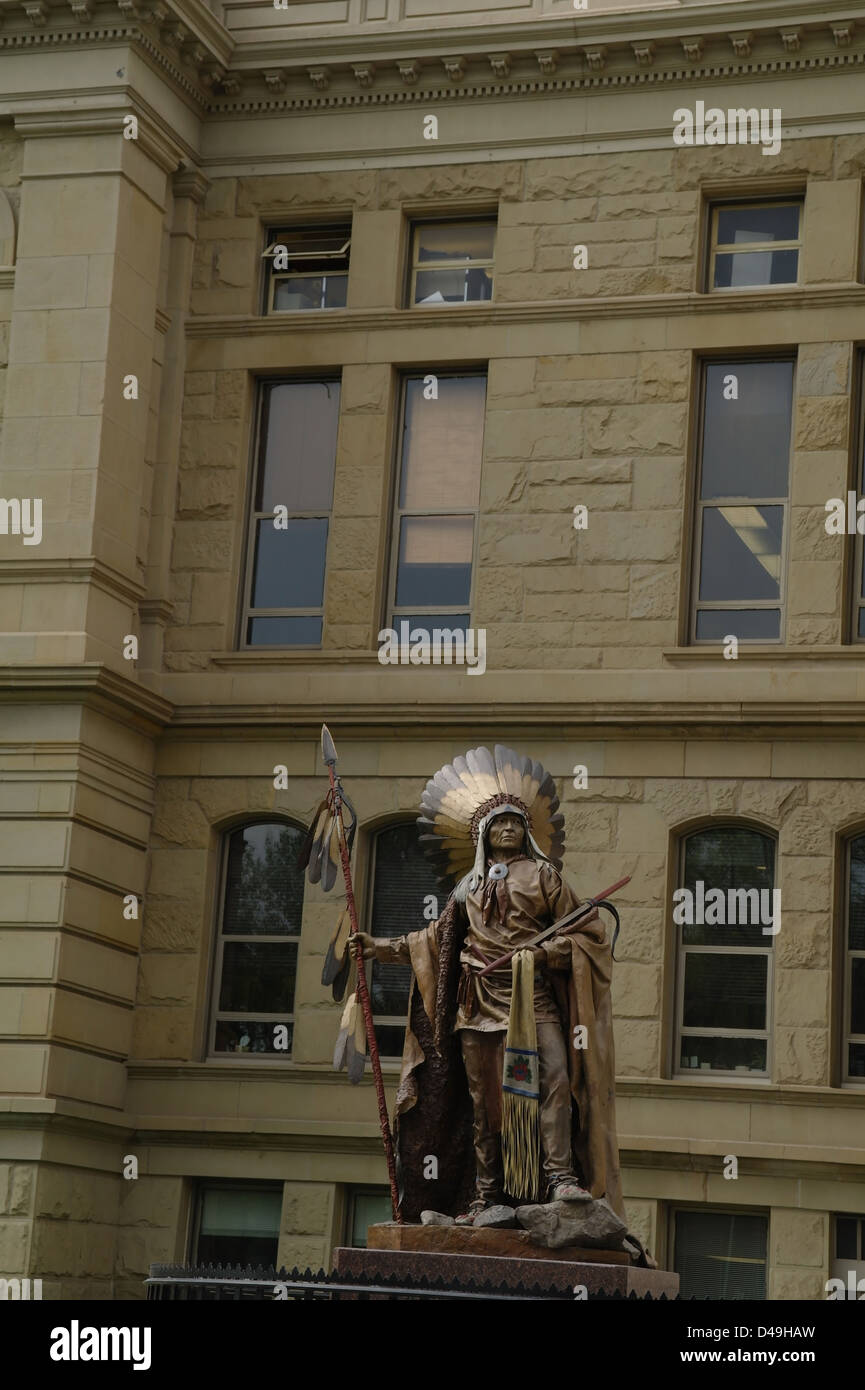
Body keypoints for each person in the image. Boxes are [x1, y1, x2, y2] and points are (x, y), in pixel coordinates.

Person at [353, 745, 624, 1228]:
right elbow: (431, 943)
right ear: (482, 834)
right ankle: (486, 1195)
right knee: (486, 1104)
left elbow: (586, 934)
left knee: (554, 1081)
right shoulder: (466, 889)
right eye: (498, 823)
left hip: (534, 1002)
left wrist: (540, 954)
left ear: (527, 831)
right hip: (476, 1008)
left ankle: (561, 1178)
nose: (507, 829)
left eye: (515, 822)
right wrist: (378, 948)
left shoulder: (544, 876)